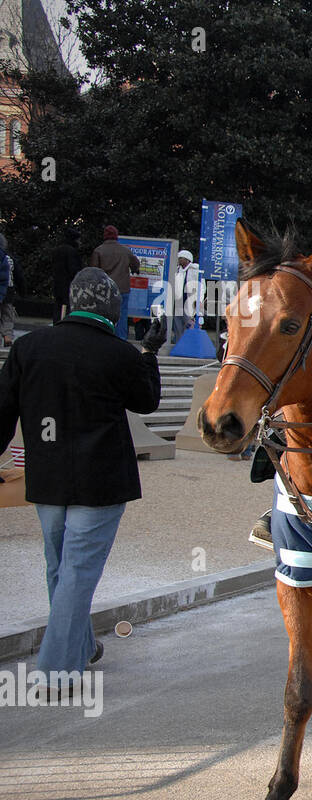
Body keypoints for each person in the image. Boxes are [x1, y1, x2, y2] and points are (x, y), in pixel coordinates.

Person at [0, 268, 164, 682]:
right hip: (100, 480)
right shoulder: (119, 353)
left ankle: (83, 646)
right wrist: (149, 353)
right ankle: (57, 670)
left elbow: (3, 410)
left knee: (59, 566)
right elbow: (146, 401)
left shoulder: (29, 347)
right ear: (111, 307)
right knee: (77, 572)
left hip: (47, 475)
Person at [88, 225, 141, 340]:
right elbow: (136, 265)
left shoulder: (98, 251)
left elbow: (93, 271)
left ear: (104, 236)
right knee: (121, 316)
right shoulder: (125, 250)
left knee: (103, 314)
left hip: (104, 289)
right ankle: (120, 340)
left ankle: (104, 339)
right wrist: (135, 270)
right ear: (116, 236)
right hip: (122, 289)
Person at [169, 249, 202, 351]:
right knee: (177, 326)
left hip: (189, 303)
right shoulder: (177, 270)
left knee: (189, 324)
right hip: (178, 302)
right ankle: (179, 346)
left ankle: (189, 347)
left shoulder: (195, 270)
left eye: (181, 258)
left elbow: (201, 286)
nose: (179, 260)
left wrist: (199, 300)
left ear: (187, 260)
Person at [51, 228, 82, 324]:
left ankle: (57, 325)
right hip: (69, 285)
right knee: (68, 308)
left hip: (57, 284)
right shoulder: (72, 252)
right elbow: (73, 270)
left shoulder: (57, 250)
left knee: (58, 307)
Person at [0, 233, 20, 347]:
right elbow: (18, 275)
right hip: (8, 289)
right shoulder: (9, 258)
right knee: (7, 314)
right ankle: (7, 336)